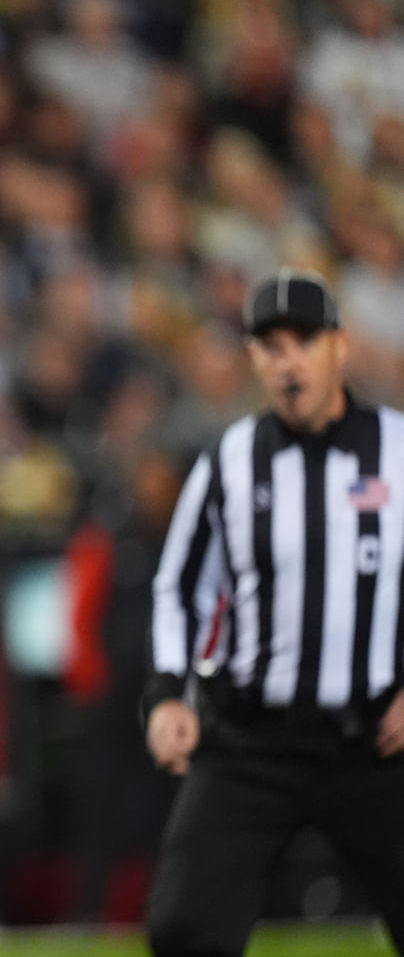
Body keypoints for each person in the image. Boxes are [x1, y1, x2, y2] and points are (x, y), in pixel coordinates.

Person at [143, 269, 404, 957]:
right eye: (272, 346)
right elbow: (180, 588)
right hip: (251, 742)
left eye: (304, 342)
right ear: (254, 359)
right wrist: (168, 695)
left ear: (340, 346)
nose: (290, 363)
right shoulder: (230, 462)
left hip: (374, 741)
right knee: (185, 931)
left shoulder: (398, 452)